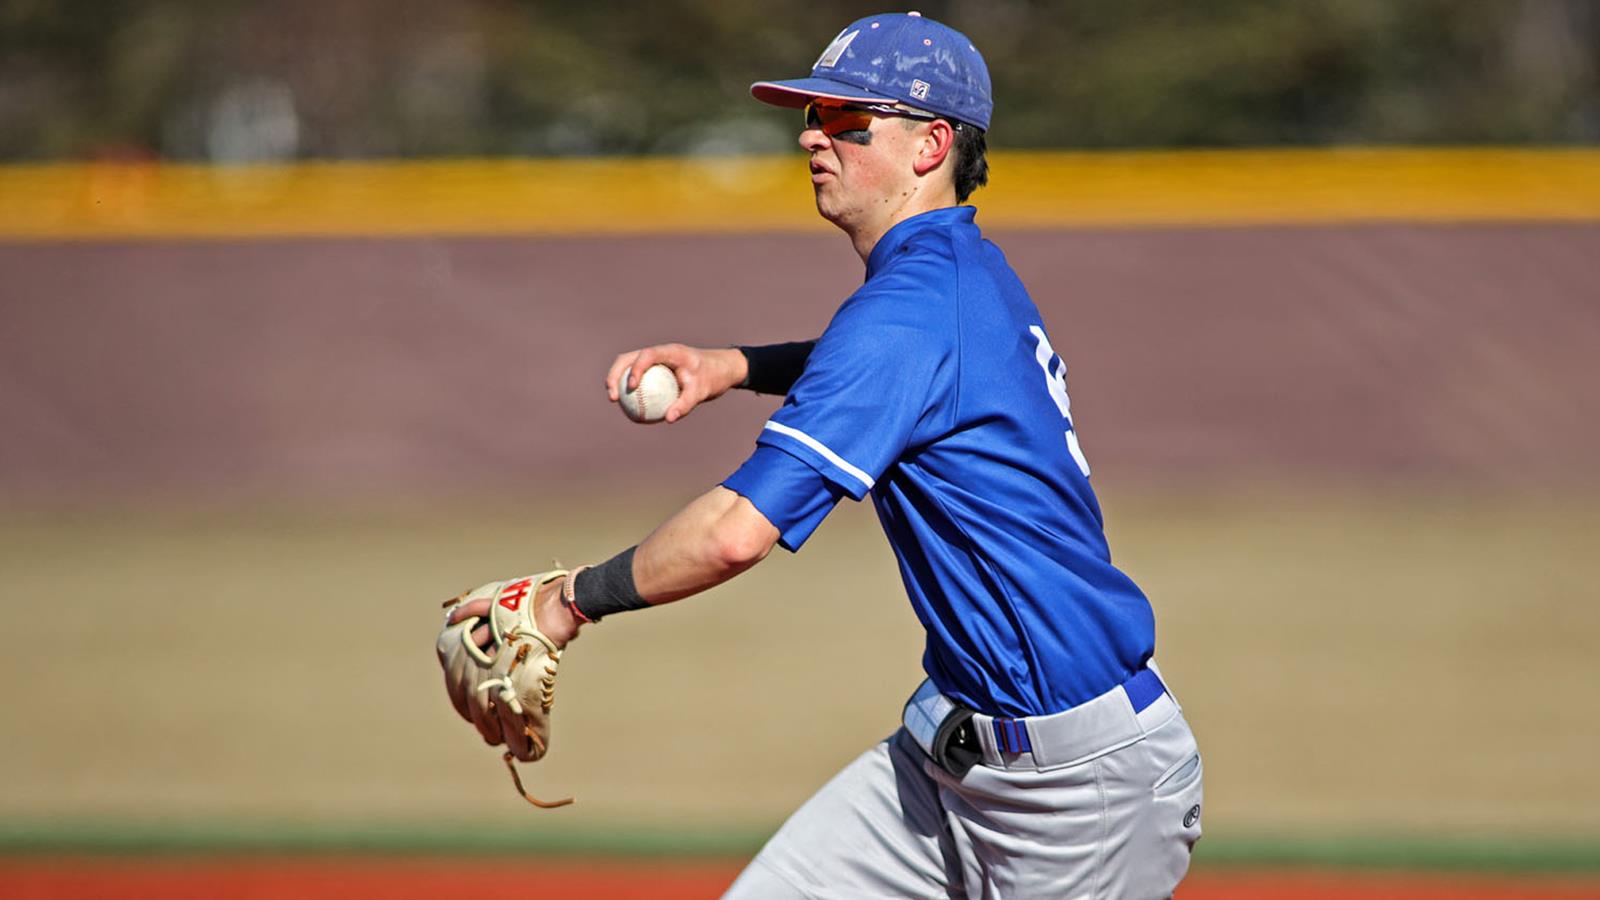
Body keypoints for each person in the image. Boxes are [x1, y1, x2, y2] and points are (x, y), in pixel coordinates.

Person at [448, 11, 1202, 897]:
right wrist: (737, 367)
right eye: (811, 115)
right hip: (940, 768)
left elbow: (735, 533)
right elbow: (876, 371)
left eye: (847, 119)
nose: (812, 135)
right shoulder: (957, 275)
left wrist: (569, 601)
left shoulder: (913, 307)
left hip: (1079, 793)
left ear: (931, 145)